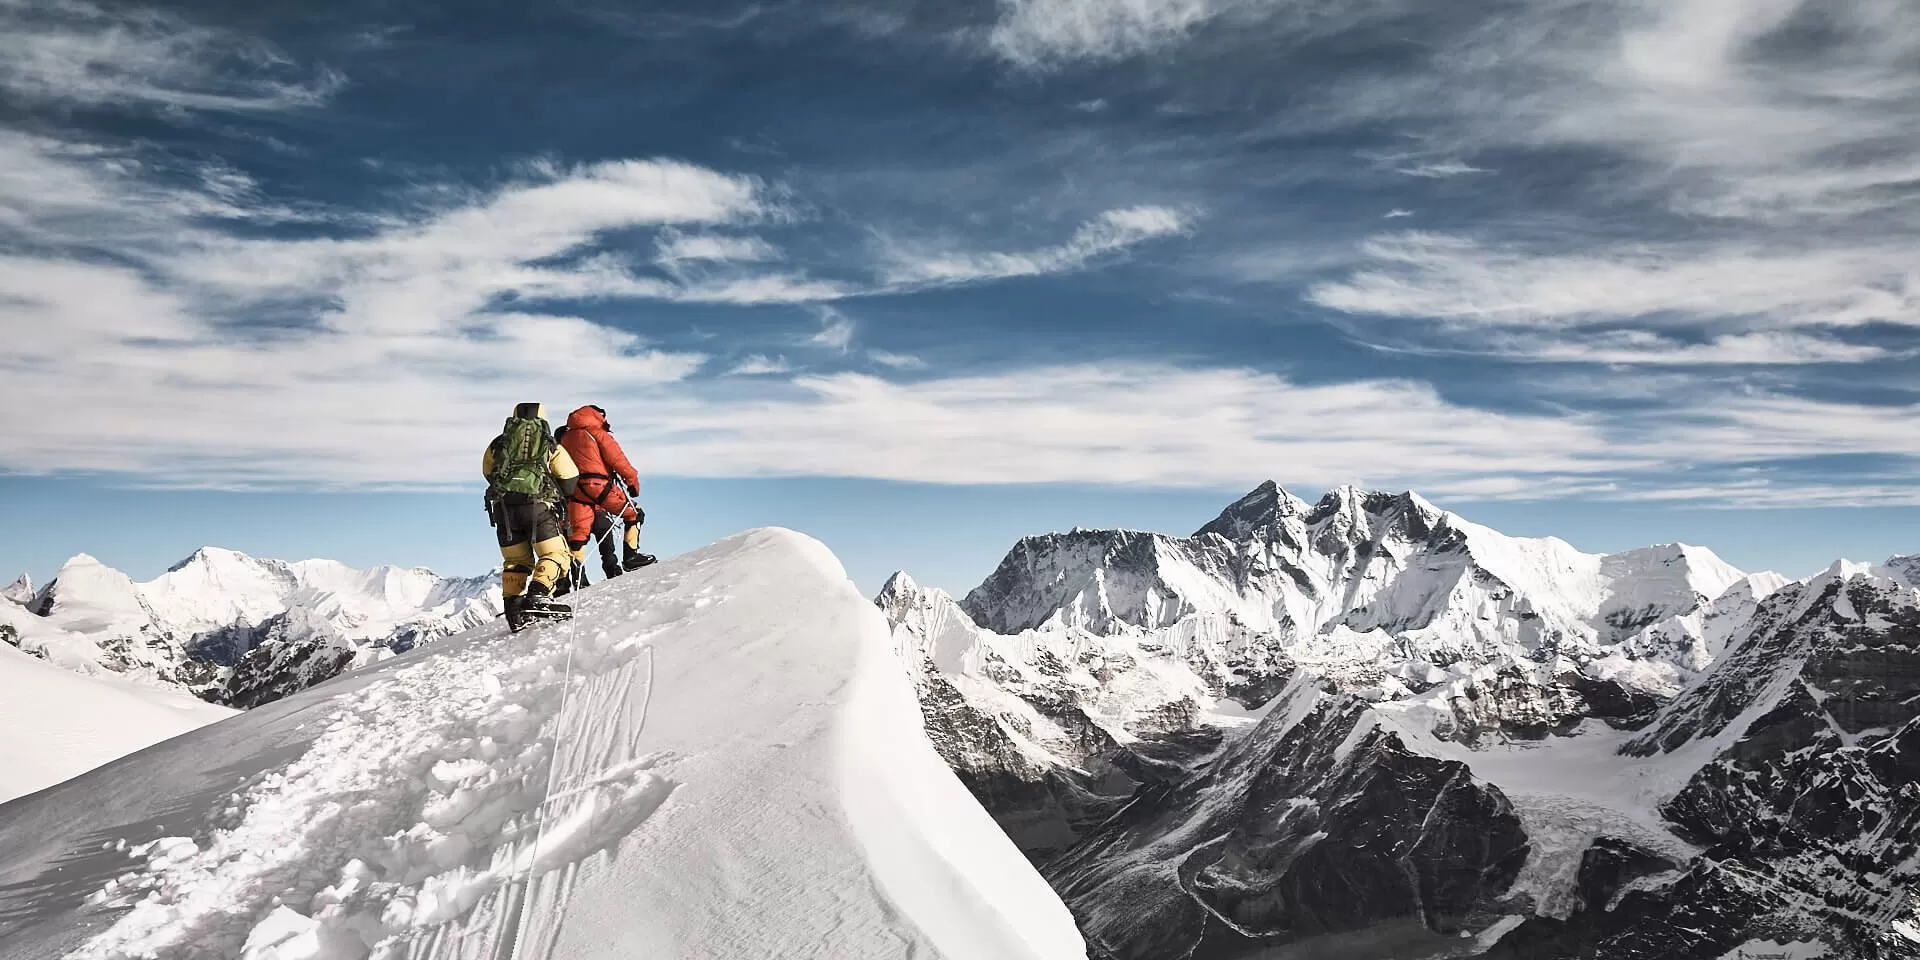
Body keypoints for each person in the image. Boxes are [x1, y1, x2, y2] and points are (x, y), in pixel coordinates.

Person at [482, 402, 580, 632]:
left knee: (516, 561)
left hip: (504, 510)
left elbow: (488, 473)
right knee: (555, 553)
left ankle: (514, 611)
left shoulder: (498, 444)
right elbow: (570, 479)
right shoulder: (549, 445)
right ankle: (539, 594)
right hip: (538, 508)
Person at [555, 404, 655, 580]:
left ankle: (577, 579)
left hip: (575, 491)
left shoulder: (565, 438)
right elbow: (618, 460)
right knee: (634, 513)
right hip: (598, 485)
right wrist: (632, 483)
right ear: (598, 416)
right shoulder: (597, 433)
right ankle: (631, 558)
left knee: (579, 533)